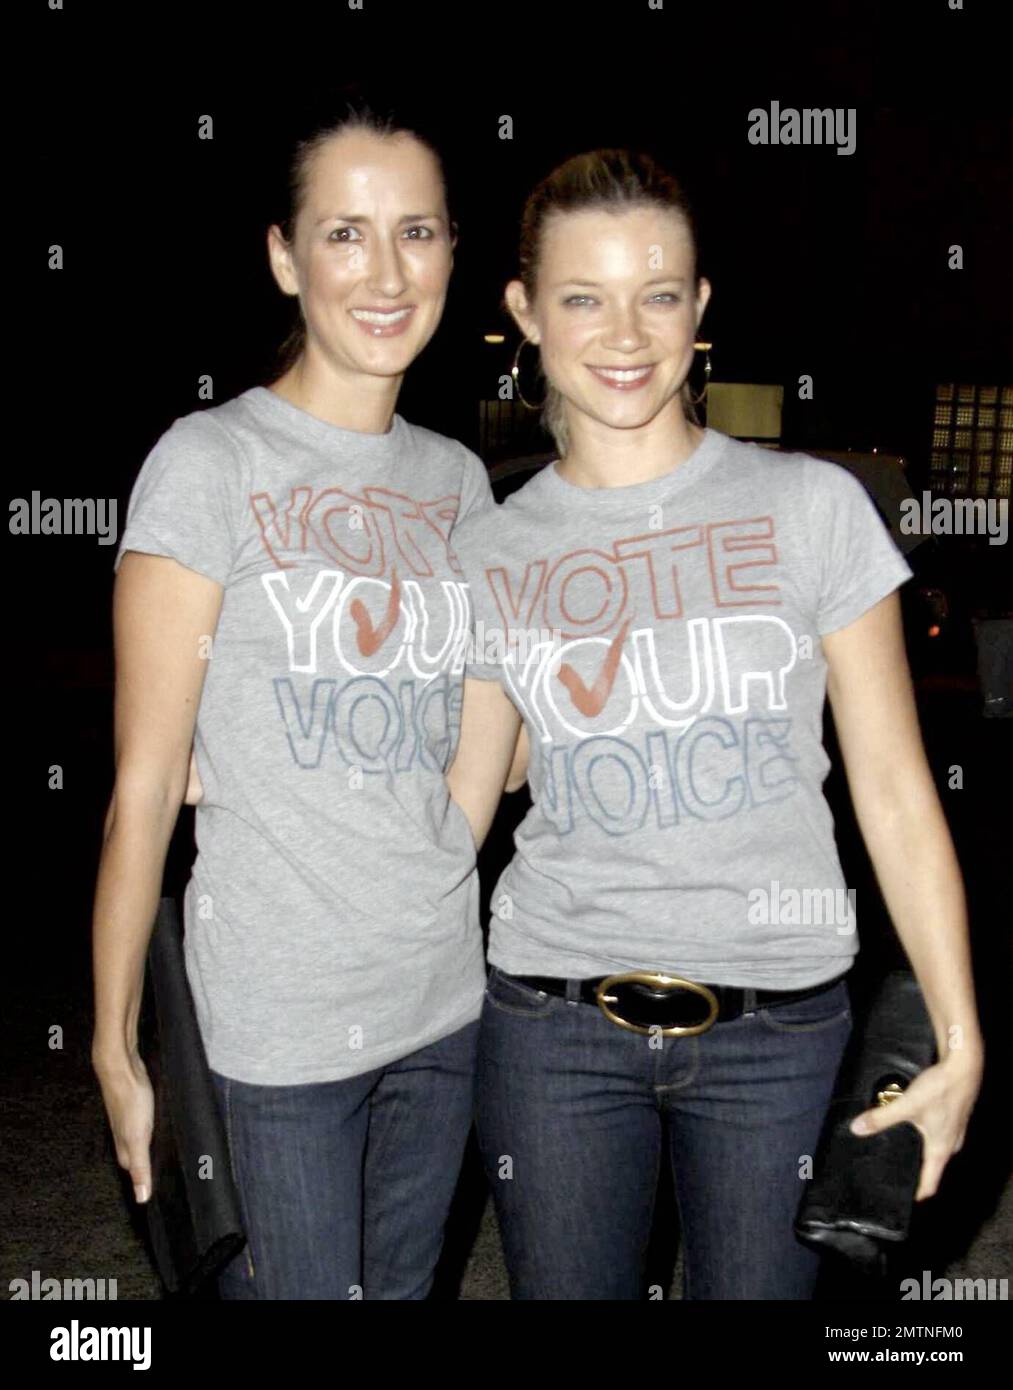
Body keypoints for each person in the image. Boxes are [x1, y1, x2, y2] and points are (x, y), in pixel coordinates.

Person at [447, 148, 985, 1300]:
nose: (623, 331)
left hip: (777, 1032)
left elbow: (891, 787)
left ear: (697, 309)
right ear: (523, 312)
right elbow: (466, 791)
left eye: (656, 294)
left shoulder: (809, 508)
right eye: (581, 297)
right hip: (550, 1027)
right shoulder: (489, 543)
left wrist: (956, 1028)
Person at [91, 102, 504, 1300]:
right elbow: (140, 792)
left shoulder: (458, 481)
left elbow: (483, 735)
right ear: (284, 256)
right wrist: (117, 1045)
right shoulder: (208, 464)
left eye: (416, 232)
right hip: (276, 1032)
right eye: (345, 234)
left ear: (449, 253)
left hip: (439, 1011)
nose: (386, 273)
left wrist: (432, 855)